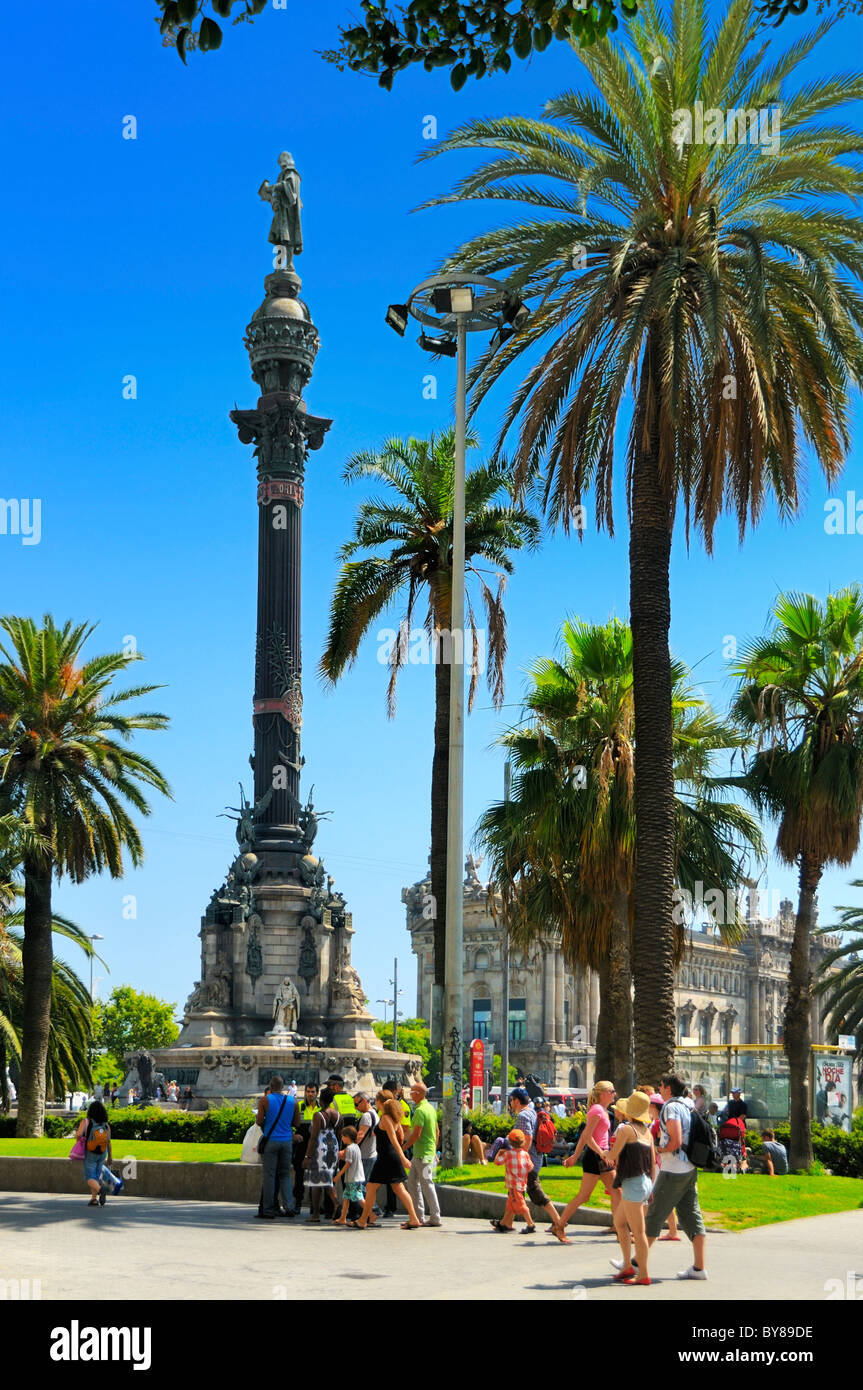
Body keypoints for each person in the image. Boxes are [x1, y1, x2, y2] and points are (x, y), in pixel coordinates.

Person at [638, 1071, 708, 1281]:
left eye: (661, 1085)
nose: (659, 1088)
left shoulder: (671, 1107)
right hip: (689, 1168)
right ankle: (699, 1267)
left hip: (673, 1169)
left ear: (668, 1088)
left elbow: (676, 1139)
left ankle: (635, 1264)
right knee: (691, 1215)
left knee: (653, 1215)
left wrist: (661, 1150)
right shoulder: (688, 1104)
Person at [492, 1088, 568, 1242]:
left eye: (511, 1100)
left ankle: (558, 1222)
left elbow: (526, 1137)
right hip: (535, 1158)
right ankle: (506, 1223)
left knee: (535, 1191)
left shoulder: (522, 1115)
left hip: (527, 1161)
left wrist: (519, 1158)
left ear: (516, 1101)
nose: (510, 1104)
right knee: (514, 1191)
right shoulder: (532, 1111)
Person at [555, 1081, 619, 1231]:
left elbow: (585, 1136)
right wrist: (601, 1153)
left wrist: (575, 1156)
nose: (614, 1094)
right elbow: (587, 1136)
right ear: (603, 1094)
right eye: (612, 1091)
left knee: (617, 1192)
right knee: (584, 1196)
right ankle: (559, 1224)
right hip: (596, 1156)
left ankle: (618, 1226)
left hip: (600, 1155)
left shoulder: (601, 1110)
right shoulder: (597, 1110)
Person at [608, 1091, 656, 1285]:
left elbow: (612, 1155)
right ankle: (628, 1265)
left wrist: (604, 1152)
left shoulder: (627, 1130)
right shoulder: (647, 1132)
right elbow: (652, 1163)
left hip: (633, 1184)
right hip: (644, 1182)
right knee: (620, 1223)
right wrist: (650, 1188)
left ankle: (643, 1274)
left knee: (639, 1232)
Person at [351, 1096, 421, 1229]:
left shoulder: (385, 1118)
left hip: (386, 1158)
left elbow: (394, 1138)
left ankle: (363, 1220)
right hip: (389, 1157)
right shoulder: (394, 1119)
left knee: (371, 1187)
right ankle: (414, 1218)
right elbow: (399, 1135)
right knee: (398, 1188)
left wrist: (403, 1157)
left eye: (382, 1103)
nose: (379, 1104)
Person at [255, 1074, 298, 1220]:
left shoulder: (265, 1100)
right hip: (287, 1142)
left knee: (269, 1176)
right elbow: (297, 1123)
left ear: (271, 1086)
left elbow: (259, 1121)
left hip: (271, 1141)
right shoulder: (293, 1101)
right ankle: (289, 1207)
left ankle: (268, 1209)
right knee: (285, 1175)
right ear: (283, 1087)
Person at [403, 1080, 442, 1228]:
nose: (410, 1094)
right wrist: (435, 1150)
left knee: (426, 1184)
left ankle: (435, 1217)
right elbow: (437, 1131)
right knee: (413, 1183)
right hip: (425, 1154)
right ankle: (418, 1216)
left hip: (423, 1155)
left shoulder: (420, 1111)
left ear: (418, 1094)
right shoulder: (430, 1108)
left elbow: (416, 1134)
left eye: (412, 1092)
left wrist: (403, 1147)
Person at [303, 1085, 341, 1223]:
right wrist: (339, 1152)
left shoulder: (318, 1115)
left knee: (316, 1180)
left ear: (321, 1099)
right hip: (333, 1146)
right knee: (327, 1175)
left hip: (320, 1147)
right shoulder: (337, 1115)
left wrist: (307, 1156)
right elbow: (339, 1135)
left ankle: (317, 1213)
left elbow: (313, 1137)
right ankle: (334, 1204)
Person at [648, 1093, 679, 1241]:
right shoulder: (663, 1121)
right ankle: (672, 1231)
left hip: (658, 1163)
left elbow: (660, 1143)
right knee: (664, 1198)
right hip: (664, 1162)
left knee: (653, 1197)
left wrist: (655, 1149)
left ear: (653, 1106)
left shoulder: (657, 1123)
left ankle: (645, 1231)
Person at [75, 1101, 113, 1208]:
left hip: (90, 1152)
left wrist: (79, 1139)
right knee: (96, 1175)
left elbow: (78, 1134)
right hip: (102, 1152)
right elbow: (109, 1141)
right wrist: (110, 1156)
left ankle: (101, 1190)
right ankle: (93, 1199)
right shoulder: (106, 1125)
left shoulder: (86, 1122)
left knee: (89, 1177)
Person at [494, 1129, 534, 1231]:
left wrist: (499, 1152)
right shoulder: (525, 1154)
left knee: (521, 1204)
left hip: (513, 1185)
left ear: (510, 1142)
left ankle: (530, 1224)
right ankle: (504, 1223)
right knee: (510, 1204)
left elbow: (497, 1162)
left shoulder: (508, 1154)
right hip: (522, 1184)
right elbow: (530, 1167)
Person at [292, 1082, 319, 1213]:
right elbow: (291, 1124)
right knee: (299, 1175)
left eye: (313, 1091)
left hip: (316, 1147)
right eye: (308, 1091)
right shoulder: (299, 1106)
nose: (310, 1094)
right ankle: (297, 1202)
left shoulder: (321, 1108)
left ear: (317, 1093)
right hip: (301, 1146)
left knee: (315, 1176)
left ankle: (314, 1205)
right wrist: (293, 1135)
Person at [333, 1126, 365, 1225]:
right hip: (354, 1177)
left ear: (347, 1137)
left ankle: (372, 1213)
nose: (342, 1138)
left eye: (342, 1136)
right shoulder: (355, 1147)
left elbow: (348, 1164)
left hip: (353, 1178)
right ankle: (343, 1217)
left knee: (358, 1197)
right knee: (346, 1197)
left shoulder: (350, 1148)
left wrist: (338, 1175)